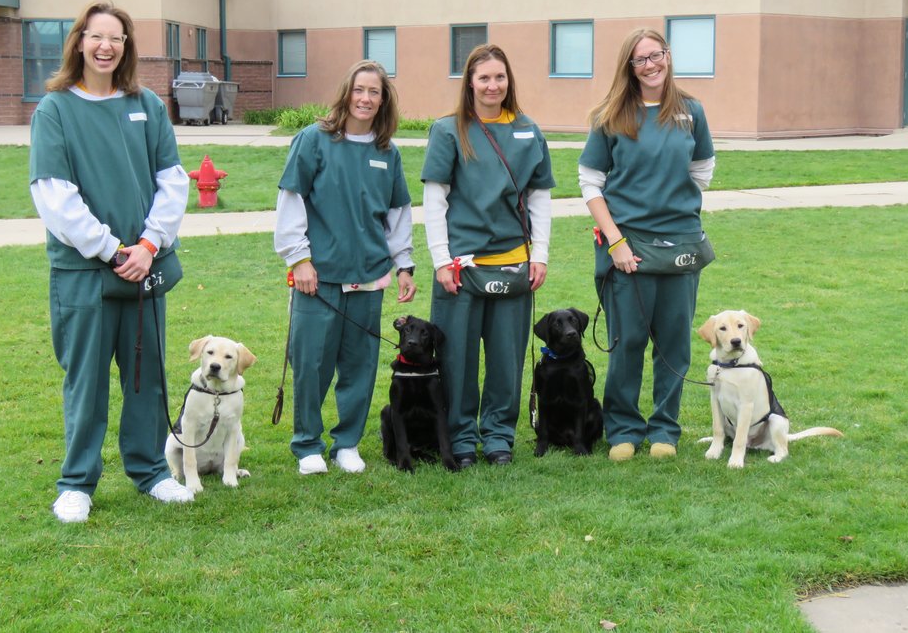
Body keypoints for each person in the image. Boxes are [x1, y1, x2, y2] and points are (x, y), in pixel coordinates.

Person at [29, 0, 193, 523]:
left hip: (144, 268)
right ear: (79, 41)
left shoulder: (146, 104)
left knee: (147, 376)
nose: (106, 46)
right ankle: (77, 482)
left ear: (126, 46)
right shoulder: (55, 110)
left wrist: (147, 246)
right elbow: (55, 196)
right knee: (87, 380)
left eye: (117, 38)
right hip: (85, 274)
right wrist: (111, 248)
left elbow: (172, 180)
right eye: (97, 36)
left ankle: (150, 472)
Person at [579, 27, 716, 462]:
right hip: (629, 248)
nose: (651, 64)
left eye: (657, 55)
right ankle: (623, 430)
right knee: (629, 342)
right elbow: (590, 184)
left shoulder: (691, 111)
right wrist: (616, 241)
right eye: (641, 59)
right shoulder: (610, 116)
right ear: (629, 67)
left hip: (680, 247)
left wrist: (672, 208)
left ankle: (664, 431)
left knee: (674, 344)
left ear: (669, 56)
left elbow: (702, 172)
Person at [275, 59, 416, 476]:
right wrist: (299, 259)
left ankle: (347, 443)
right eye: (359, 90)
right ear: (346, 93)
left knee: (359, 364)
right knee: (311, 364)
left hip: (369, 277)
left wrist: (403, 264)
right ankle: (307, 446)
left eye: (375, 92)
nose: (366, 99)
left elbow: (398, 214)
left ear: (383, 99)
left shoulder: (386, 153)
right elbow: (291, 202)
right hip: (317, 278)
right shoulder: (314, 141)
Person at [421, 44, 556, 468]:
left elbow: (540, 198)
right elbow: (433, 199)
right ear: (470, 83)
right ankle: (460, 438)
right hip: (461, 267)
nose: (492, 85)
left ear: (508, 81)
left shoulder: (528, 131)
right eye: (484, 78)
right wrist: (441, 259)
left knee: (506, 360)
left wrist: (541, 254)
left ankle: (498, 436)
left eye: (500, 77)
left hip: (513, 261)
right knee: (456, 359)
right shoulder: (449, 131)